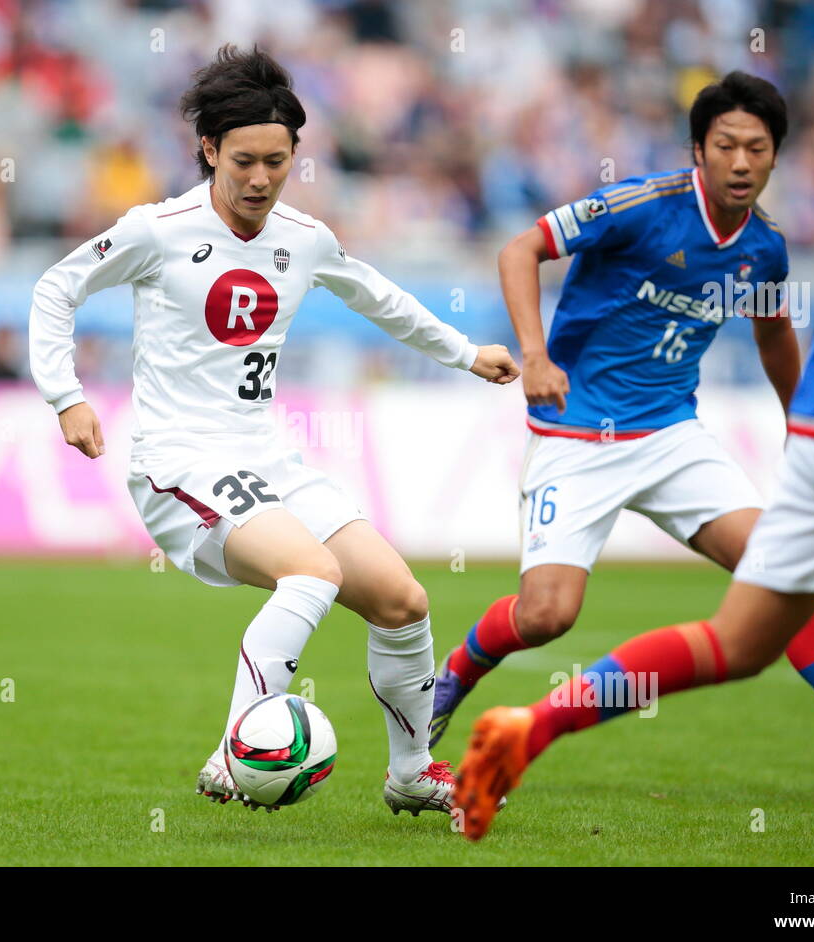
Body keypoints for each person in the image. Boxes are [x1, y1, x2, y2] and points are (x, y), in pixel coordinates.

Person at [453, 0, 814, 841]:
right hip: (578, 433)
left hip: (673, 435)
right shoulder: (642, 206)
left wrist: (804, 423)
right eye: (725, 144)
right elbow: (520, 249)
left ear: (774, 159)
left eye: (757, 149)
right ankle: (460, 674)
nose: (740, 161)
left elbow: (773, 338)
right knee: (548, 617)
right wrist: (534, 356)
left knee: (761, 584)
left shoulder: (762, 248)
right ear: (698, 150)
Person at [28, 45, 519, 815]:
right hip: (179, 460)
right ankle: (234, 753)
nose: (260, 179)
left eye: (278, 162)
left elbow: (379, 298)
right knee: (313, 571)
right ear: (209, 150)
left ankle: (411, 771)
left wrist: (466, 354)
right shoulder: (157, 229)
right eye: (245, 161)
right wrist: (67, 396)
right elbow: (56, 288)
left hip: (267, 455)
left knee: (403, 600)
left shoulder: (304, 236)